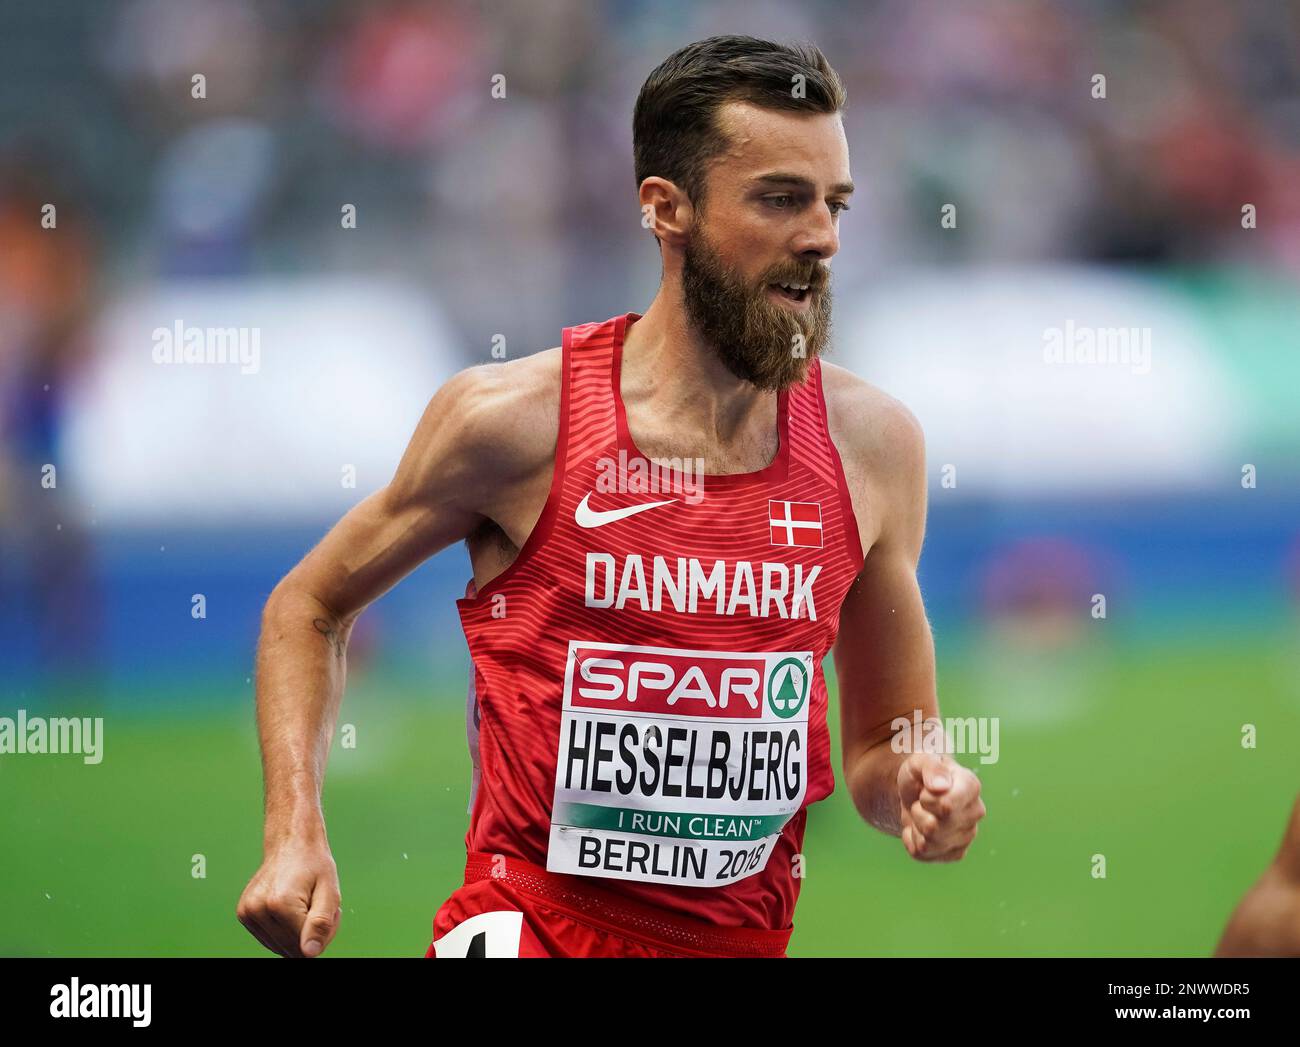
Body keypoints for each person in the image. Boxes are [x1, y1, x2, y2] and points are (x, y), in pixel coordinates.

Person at [237, 34, 985, 959]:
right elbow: (308, 603)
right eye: (781, 199)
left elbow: (883, 740)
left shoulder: (874, 447)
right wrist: (294, 833)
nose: (822, 237)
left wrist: (921, 778)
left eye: (835, 204)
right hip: (532, 930)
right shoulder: (515, 423)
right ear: (666, 209)